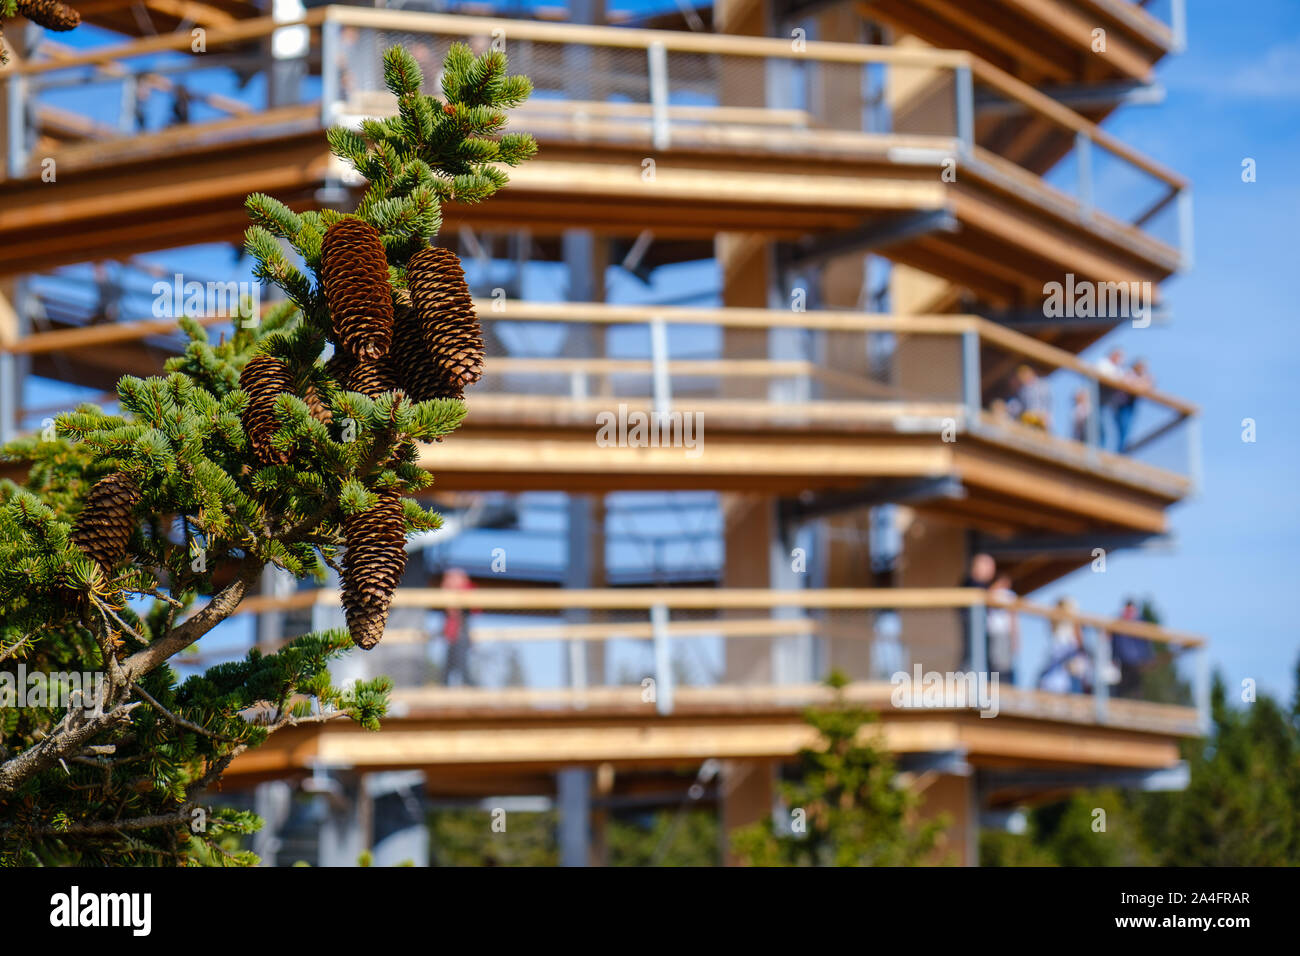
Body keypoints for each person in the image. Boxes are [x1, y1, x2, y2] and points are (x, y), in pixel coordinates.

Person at [1039, 597, 1088, 694]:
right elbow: (1078, 640)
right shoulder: (1067, 629)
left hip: (1063, 670)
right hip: (1066, 669)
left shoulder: (1057, 627)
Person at [440, 567, 477, 686]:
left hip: (461, 635)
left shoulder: (468, 590)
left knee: (463, 667)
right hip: (450, 636)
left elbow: (476, 609)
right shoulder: (445, 593)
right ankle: (444, 692)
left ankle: (470, 690)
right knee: (447, 669)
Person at [959, 553, 996, 671]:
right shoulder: (972, 585)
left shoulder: (979, 586)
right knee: (972, 657)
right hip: (973, 631)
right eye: (987, 565)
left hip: (978, 632)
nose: (991, 570)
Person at [1110, 598, 1153, 699]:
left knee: (1135, 685)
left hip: (1137, 660)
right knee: (1123, 685)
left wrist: (1148, 657)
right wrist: (1114, 657)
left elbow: (1147, 642)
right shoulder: (1119, 622)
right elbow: (1115, 642)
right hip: (1123, 660)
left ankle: (1136, 705)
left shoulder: (1141, 623)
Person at [984, 574, 1019, 685]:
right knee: (993, 665)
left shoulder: (1008, 595)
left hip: (1003, 635)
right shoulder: (990, 593)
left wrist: (1014, 638)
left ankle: (1003, 687)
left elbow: (1013, 618)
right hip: (993, 634)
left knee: (1003, 666)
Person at [1113, 358, 1154, 453]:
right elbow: (1132, 386)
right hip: (1123, 404)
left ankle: (1121, 451)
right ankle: (1118, 452)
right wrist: (1139, 384)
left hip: (1131, 404)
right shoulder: (1129, 374)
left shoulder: (1143, 376)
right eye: (1141, 366)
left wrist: (1140, 384)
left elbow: (1148, 386)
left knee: (1127, 429)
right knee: (1120, 428)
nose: (1142, 369)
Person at [1006, 364, 1052, 430]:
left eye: (1025, 375)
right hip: (1029, 419)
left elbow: (1047, 403)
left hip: (1041, 418)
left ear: (1031, 373)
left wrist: (1045, 416)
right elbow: (1019, 406)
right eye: (1022, 377)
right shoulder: (1023, 391)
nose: (1024, 378)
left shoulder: (1042, 385)